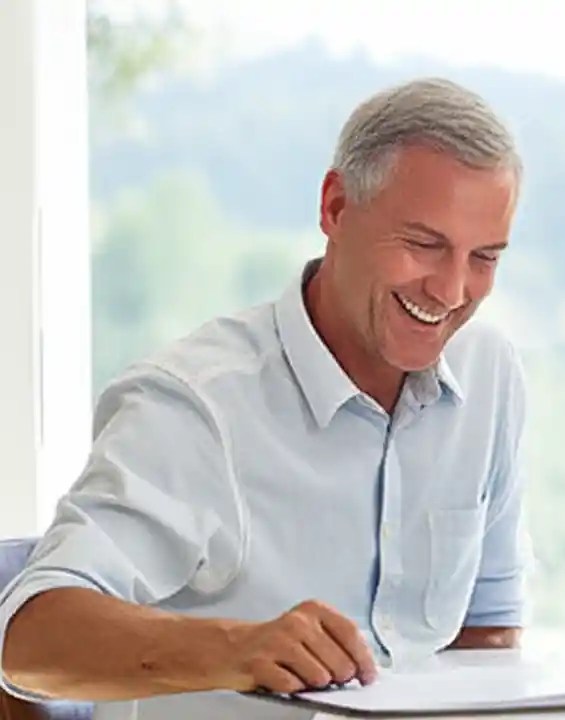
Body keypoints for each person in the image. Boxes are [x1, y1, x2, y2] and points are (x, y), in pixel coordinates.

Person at [0, 78, 528, 719]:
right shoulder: (194, 406)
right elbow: (28, 639)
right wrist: (236, 649)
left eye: (485, 258)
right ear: (335, 207)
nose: (450, 290)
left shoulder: (489, 373)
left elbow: (487, 637)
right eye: (424, 244)